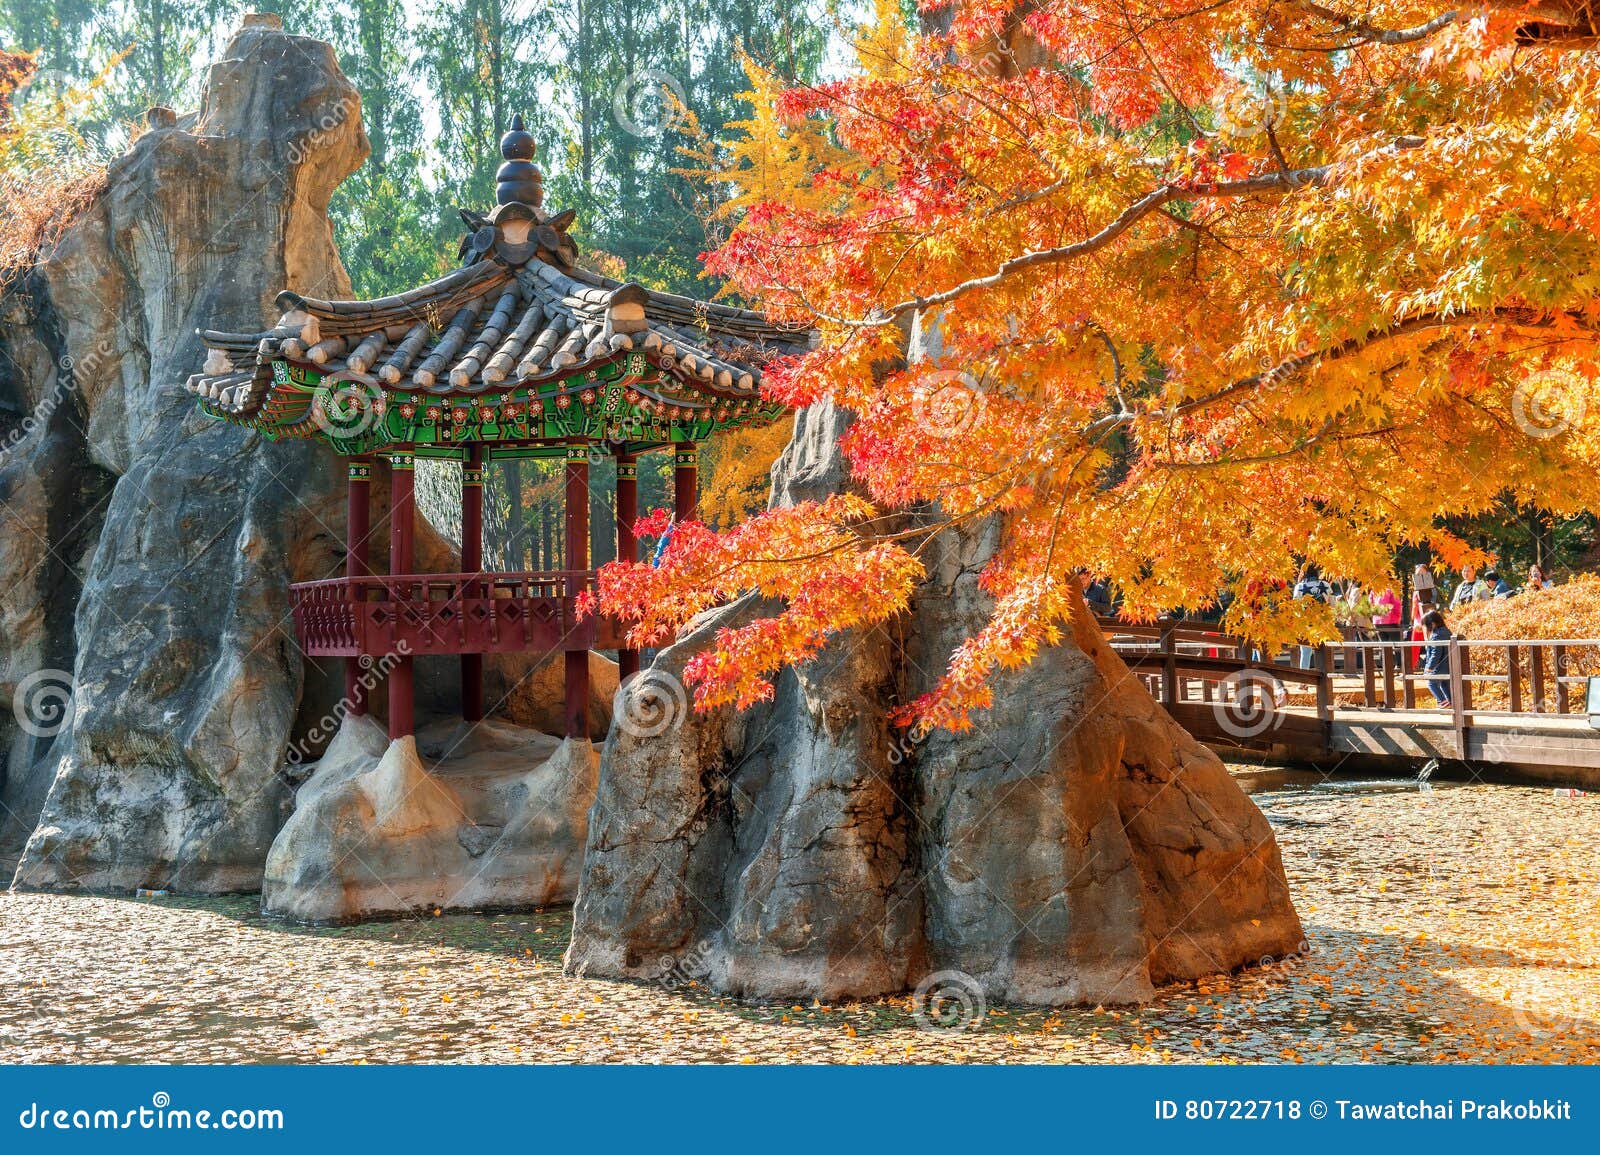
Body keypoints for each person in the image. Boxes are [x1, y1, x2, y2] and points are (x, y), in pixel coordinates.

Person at [1293, 568, 1334, 668]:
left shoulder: (1300, 586)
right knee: (1323, 650)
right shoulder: (1325, 585)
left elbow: (1295, 607)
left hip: (1306, 623)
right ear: (1317, 573)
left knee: (1305, 652)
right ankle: (1325, 675)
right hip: (1322, 622)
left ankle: (1304, 679)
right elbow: (1333, 605)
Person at [1419, 609, 1454, 707]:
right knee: (1444, 684)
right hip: (1448, 665)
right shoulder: (1447, 632)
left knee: (1431, 683)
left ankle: (1442, 702)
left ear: (1433, 624)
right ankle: (1451, 702)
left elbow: (1436, 654)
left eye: (1427, 625)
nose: (1426, 628)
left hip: (1438, 667)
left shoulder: (1436, 636)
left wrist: (1430, 667)